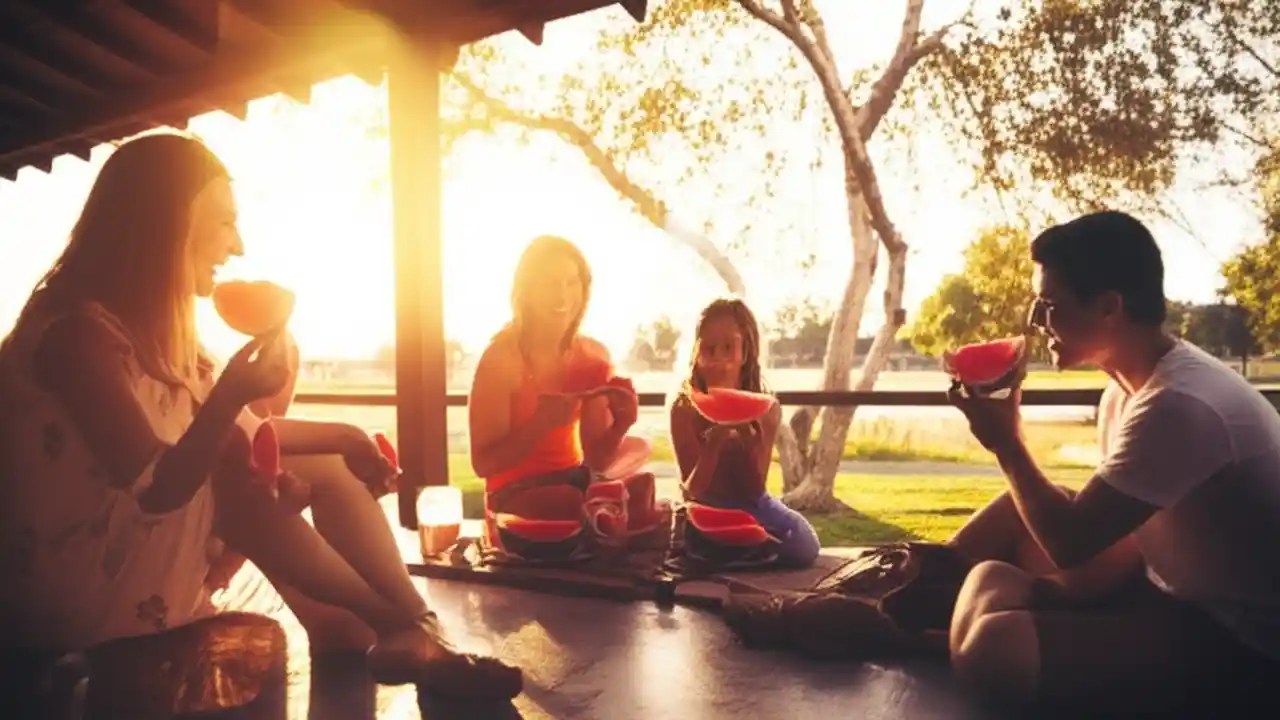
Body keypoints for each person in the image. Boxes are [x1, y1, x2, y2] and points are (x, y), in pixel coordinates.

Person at [0, 133, 521, 699]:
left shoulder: (163, 338)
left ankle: (402, 624)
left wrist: (344, 436)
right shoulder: (75, 336)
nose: (239, 245)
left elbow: (253, 430)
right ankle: (402, 627)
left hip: (130, 561)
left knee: (304, 463)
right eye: (224, 222)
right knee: (234, 478)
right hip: (67, 595)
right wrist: (228, 399)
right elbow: (154, 484)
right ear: (170, 223)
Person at [944, 211, 1280, 713]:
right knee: (995, 567)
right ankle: (907, 603)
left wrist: (1006, 443)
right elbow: (1130, 537)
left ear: (1108, 307)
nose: (1036, 323)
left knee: (996, 645)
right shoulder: (1125, 390)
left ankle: (915, 628)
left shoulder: (1180, 403)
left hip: (1240, 640)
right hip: (1169, 595)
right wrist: (1061, 596)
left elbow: (1071, 543)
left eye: (1050, 305)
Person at [468, 235, 642, 524]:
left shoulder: (593, 355)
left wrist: (622, 424)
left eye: (571, 282)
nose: (561, 296)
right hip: (512, 493)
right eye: (549, 284)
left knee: (643, 492)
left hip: (573, 481)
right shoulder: (501, 360)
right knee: (576, 504)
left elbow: (597, 459)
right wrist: (540, 424)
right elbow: (483, 464)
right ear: (527, 291)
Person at [669, 298, 820, 568]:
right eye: (709, 348)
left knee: (805, 543)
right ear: (696, 352)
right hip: (705, 505)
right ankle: (747, 553)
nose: (718, 359)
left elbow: (753, 490)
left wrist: (750, 447)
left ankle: (727, 555)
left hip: (752, 502)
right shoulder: (683, 408)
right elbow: (692, 493)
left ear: (746, 352)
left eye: (729, 347)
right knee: (690, 528)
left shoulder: (766, 409)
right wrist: (713, 446)